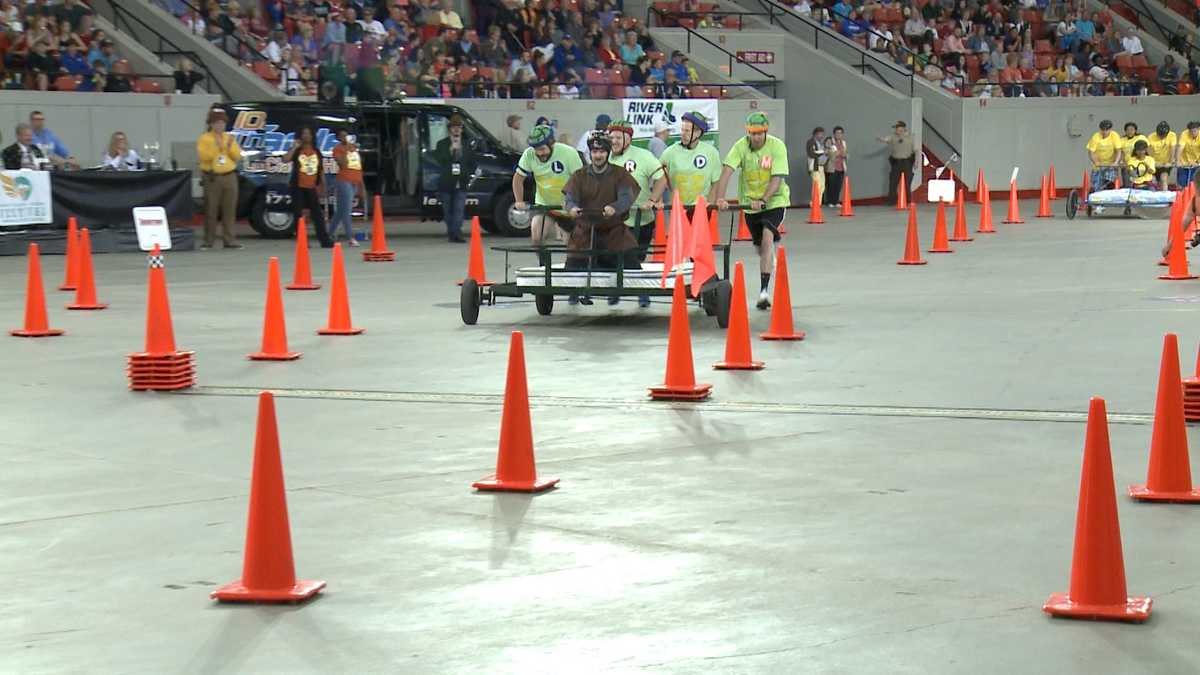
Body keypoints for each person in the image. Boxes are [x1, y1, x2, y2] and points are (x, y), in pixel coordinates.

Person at [715, 112, 791, 311]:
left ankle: (764, 292)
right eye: (752, 134)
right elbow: (727, 172)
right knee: (760, 247)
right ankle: (768, 255)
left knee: (767, 236)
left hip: (774, 202)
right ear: (747, 132)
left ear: (765, 131)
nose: (756, 138)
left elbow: (777, 178)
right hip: (749, 205)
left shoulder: (777, 146)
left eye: (759, 134)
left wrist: (764, 199)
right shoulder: (741, 146)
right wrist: (720, 198)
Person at [561, 132, 641, 307]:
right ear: (590, 153)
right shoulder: (579, 175)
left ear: (608, 153)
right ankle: (574, 292)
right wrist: (572, 208)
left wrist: (615, 207)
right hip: (585, 231)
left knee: (632, 264)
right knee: (572, 265)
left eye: (602, 151)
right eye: (594, 151)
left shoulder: (620, 174)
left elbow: (626, 198)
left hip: (613, 231)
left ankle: (642, 295)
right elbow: (569, 199)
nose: (598, 155)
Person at [608, 119, 665, 308]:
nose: (613, 141)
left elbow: (661, 178)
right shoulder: (605, 156)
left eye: (618, 137)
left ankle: (629, 289)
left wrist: (653, 199)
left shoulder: (643, 156)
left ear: (628, 139)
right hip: (617, 220)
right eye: (611, 137)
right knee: (622, 254)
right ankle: (634, 291)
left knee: (636, 257)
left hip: (643, 219)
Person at [513, 124, 584, 245]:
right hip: (545, 205)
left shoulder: (569, 153)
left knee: (572, 246)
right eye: (535, 149)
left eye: (542, 149)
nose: (539, 153)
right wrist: (519, 200)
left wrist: (572, 202)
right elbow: (518, 178)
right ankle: (543, 263)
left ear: (552, 144)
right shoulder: (529, 154)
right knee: (537, 238)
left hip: (568, 207)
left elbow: (581, 181)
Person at [648, 111, 721, 221]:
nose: (683, 133)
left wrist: (710, 205)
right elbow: (659, 177)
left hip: (701, 209)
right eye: (682, 130)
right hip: (678, 209)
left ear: (698, 133)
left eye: (687, 131)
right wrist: (659, 199)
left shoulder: (711, 153)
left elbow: (715, 183)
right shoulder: (670, 152)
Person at [196, 109, 243, 249]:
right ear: (211, 124)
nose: (220, 126)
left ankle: (229, 239)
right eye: (217, 123)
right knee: (211, 209)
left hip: (230, 176)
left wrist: (228, 148)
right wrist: (219, 148)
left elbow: (237, 156)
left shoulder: (229, 138)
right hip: (213, 177)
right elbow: (205, 156)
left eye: (222, 123)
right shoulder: (205, 138)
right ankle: (208, 240)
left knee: (230, 210)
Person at [283, 127, 334, 249]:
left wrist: (323, 185)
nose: (306, 136)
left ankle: (324, 240)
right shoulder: (297, 150)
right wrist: (294, 147)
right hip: (298, 186)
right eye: (303, 133)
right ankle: (302, 241)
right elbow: (285, 159)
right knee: (298, 215)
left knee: (317, 214)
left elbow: (320, 169)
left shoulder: (316, 151)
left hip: (311, 186)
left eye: (308, 133)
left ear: (312, 136)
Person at [431, 114, 476, 243]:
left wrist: (468, 174)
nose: (456, 130)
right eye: (454, 127)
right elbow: (439, 161)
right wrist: (451, 150)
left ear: (462, 129)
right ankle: (452, 231)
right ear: (449, 129)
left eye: (459, 127)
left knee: (459, 208)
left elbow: (472, 162)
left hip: (461, 182)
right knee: (447, 210)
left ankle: (457, 233)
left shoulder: (467, 145)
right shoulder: (442, 144)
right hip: (446, 182)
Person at [330, 128, 365, 246]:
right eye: (342, 136)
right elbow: (343, 164)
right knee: (346, 210)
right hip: (344, 180)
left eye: (346, 135)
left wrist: (361, 186)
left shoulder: (354, 149)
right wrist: (347, 150)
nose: (345, 137)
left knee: (341, 210)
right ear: (338, 138)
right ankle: (350, 237)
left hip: (355, 181)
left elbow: (358, 167)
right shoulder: (337, 149)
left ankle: (329, 233)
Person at [877, 120, 915, 204]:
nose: (896, 130)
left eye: (898, 128)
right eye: (896, 129)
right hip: (896, 162)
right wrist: (881, 139)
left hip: (907, 162)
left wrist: (917, 162)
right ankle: (892, 200)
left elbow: (916, 150)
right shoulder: (893, 136)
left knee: (907, 182)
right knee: (893, 182)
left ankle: (908, 201)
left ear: (903, 128)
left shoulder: (910, 137)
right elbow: (886, 139)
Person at [1085, 119, 1122, 192]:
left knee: (1110, 180)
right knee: (1097, 182)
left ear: (1110, 129)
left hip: (1111, 164)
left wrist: (1116, 162)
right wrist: (1096, 162)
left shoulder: (1114, 135)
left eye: (1106, 130)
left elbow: (1118, 150)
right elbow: (1091, 151)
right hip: (1099, 164)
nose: (1104, 132)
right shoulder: (1096, 136)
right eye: (1103, 130)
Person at [1147, 122, 1177, 191]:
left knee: (1164, 178)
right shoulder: (1151, 136)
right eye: (1160, 135)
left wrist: (1170, 162)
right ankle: (1153, 198)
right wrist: (1153, 163)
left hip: (1166, 163)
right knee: (1153, 180)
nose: (1162, 137)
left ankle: (1165, 196)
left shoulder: (1172, 135)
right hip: (1155, 162)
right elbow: (1149, 152)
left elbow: (1173, 149)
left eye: (1164, 135)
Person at [824, 126, 849, 207]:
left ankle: (836, 201)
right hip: (832, 166)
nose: (839, 135)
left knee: (838, 185)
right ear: (834, 134)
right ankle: (829, 201)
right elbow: (829, 152)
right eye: (837, 133)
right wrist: (839, 153)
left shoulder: (843, 142)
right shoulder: (830, 141)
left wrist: (843, 154)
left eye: (840, 133)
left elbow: (845, 153)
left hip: (841, 166)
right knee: (831, 184)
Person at [806, 127, 828, 205]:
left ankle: (818, 203)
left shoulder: (821, 143)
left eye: (823, 134)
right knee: (816, 185)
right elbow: (812, 153)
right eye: (820, 134)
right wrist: (823, 152)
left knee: (822, 185)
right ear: (816, 134)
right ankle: (814, 202)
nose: (822, 136)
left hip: (821, 166)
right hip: (814, 166)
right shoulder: (811, 142)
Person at [1176, 120, 1200, 188]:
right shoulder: (1184, 134)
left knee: (1195, 183)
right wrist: (1178, 161)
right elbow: (1180, 148)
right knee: (1181, 184)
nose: (1192, 133)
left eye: (1195, 131)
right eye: (1191, 131)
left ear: (1198, 129)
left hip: (1196, 162)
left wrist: (1198, 162)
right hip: (1184, 162)